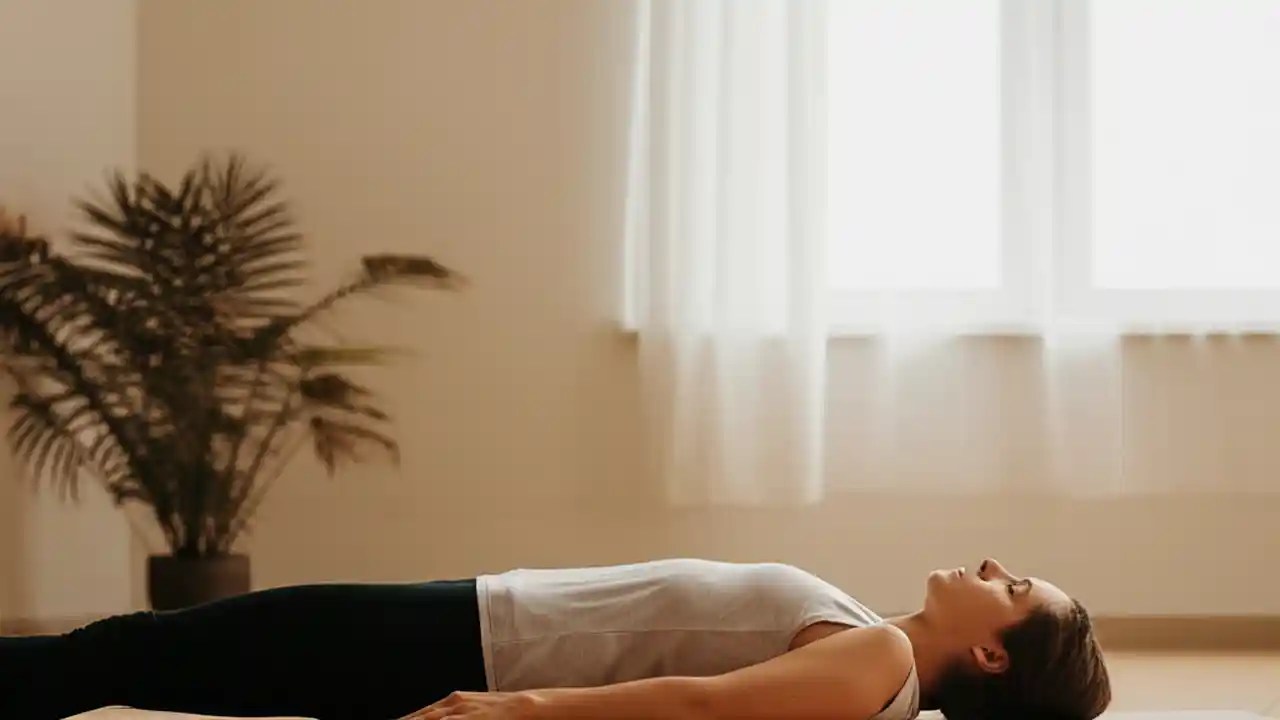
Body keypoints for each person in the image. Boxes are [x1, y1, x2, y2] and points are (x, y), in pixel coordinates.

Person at [1, 556, 1110, 720]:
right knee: (138, 654)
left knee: (132, 649)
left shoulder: (879, 664)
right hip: (475, 625)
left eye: (1014, 589)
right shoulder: (874, 652)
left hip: (473, 649)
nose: (993, 565)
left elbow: (701, 705)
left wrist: (511, 708)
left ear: (994, 655)